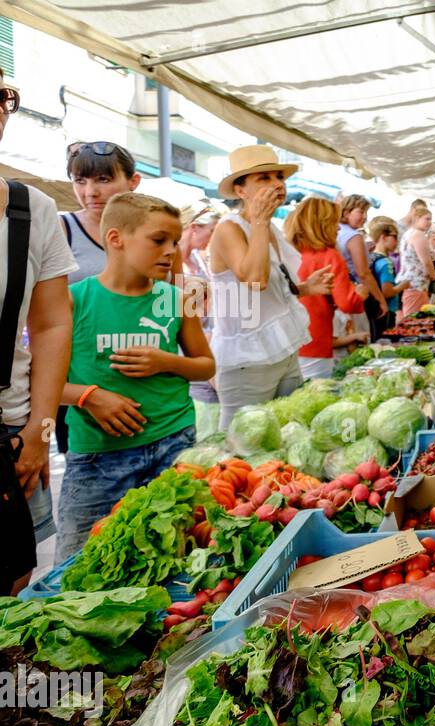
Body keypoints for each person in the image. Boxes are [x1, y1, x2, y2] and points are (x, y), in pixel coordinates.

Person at [56, 193, 215, 559]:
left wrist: (166, 362)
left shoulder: (178, 299)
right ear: (116, 239)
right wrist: (89, 396)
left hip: (174, 443)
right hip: (98, 457)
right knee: (79, 561)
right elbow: (42, 381)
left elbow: (206, 365)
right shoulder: (72, 300)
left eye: (175, 242)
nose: (171, 251)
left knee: (177, 557)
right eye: (159, 240)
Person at [0, 68, 76, 592]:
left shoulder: (32, 209)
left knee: (14, 575)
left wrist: (39, 432)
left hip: (12, 430)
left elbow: (49, 324)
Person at [208, 144, 333, 429]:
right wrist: (261, 221)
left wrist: (304, 288)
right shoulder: (230, 228)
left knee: (292, 431)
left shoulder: (270, 228)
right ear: (241, 191)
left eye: (279, 177)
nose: (277, 184)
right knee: (245, 446)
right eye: (264, 178)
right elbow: (254, 280)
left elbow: (268, 288)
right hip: (247, 360)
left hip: (283, 351)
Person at [55, 140, 142, 456]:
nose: (90, 191)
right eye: (81, 180)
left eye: (103, 180)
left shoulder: (155, 231)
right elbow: (43, 322)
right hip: (82, 386)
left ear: (133, 182)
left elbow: (174, 308)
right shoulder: (61, 229)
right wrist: (82, 394)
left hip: (146, 383)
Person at [284, 198, 368, 380]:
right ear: (323, 224)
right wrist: (360, 294)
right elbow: (347, 303)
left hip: (287, 343)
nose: (338, 228)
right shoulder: (328, 256)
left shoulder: (289, 253)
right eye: (334, 222)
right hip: (316, 341)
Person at [178, 201, 222, 438]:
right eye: (211, 231)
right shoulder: (173, 265)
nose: (212, 238)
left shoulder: (199, 258)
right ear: (194, 227)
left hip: (207, 337)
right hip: (186, 344)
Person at [337, 194, 388, 338]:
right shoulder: (354, 236)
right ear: (346, 212)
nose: (365, 217)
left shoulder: (337, 231)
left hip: (340, 296)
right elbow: (363, 273)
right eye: (361, 212)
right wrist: (381, 299)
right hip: (357, 296)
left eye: (366, 212)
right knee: (362, 338)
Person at [396, 206, 435, 316]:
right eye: (427, 219)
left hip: (409, 281)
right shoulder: (419, 235)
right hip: (417, 282)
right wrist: (434, 278)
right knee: (415, 318)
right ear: (417, 218)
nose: (429, 222)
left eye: (430, 219)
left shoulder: (408, 233)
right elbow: (426, 262)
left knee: (412, 315)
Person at [369, 217, 409, 319]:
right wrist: (403, 285)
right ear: (384, 237)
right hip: (387, 310)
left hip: (373, 308)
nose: (397, 241)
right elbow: (387, 292)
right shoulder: (386, 263)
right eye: (395, 237)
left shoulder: (370, 256)